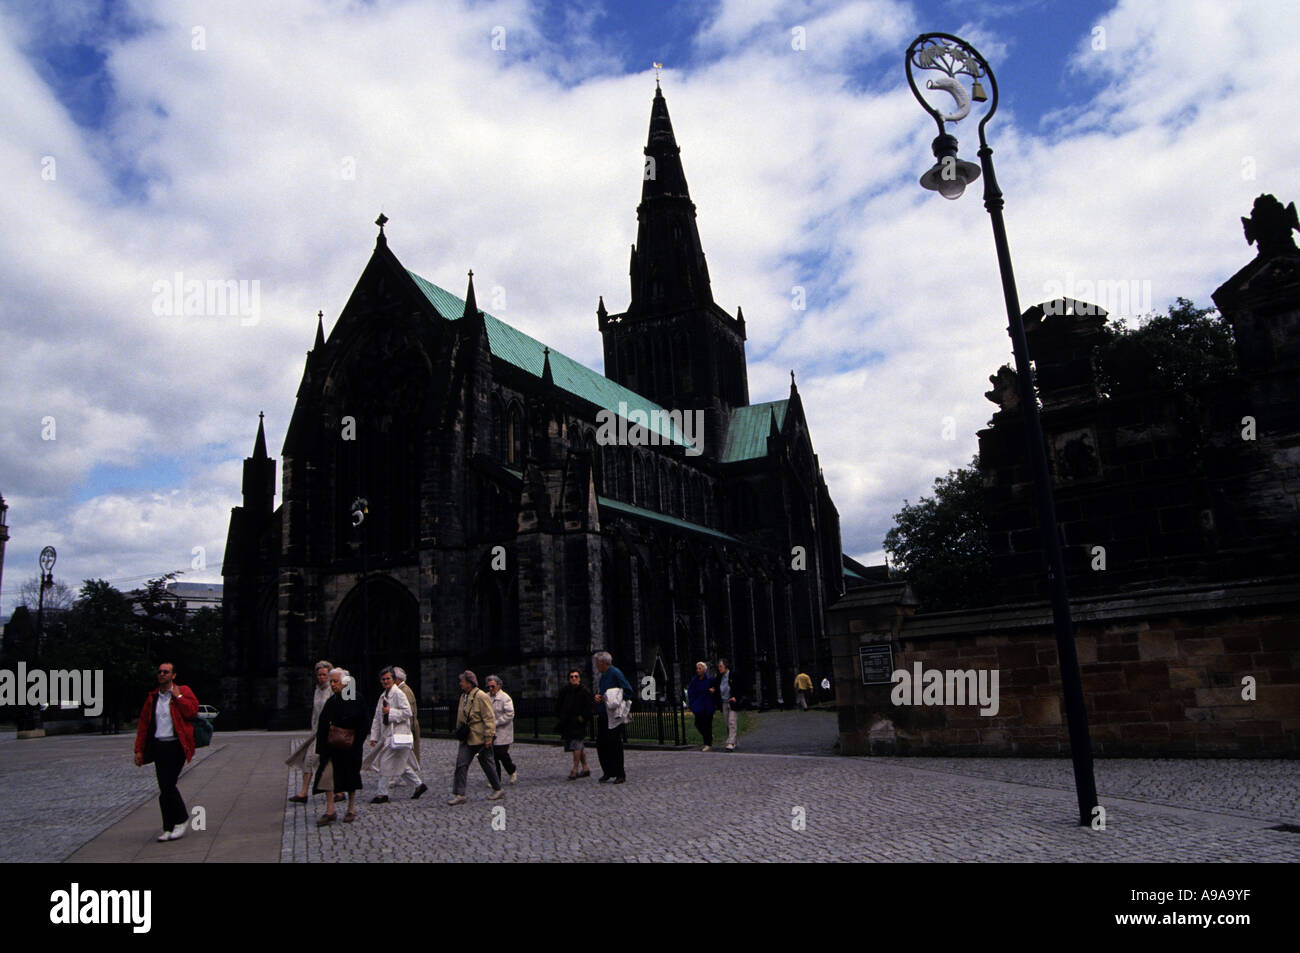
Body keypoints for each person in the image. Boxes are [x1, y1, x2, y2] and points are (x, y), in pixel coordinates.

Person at [133, 661, 200, 842]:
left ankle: (182, 820)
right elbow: (144, 726)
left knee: (168, 786)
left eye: (166, 672)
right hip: (159, 746)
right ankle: (168, 828)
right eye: (160, 671)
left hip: (177, 746)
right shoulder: (152, 698)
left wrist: (178, 698)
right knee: (164, 789)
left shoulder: (183, 691)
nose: (162, 674)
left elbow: (192, 713)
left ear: (173, 675)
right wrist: (139, 750)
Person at [313, 668, 368, 825]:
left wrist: (356, 742)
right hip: (332, 747)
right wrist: (321, 748)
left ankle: (351, 809)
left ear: (345, 683)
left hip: (350, 747)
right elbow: (323, 724)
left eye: (335, 681)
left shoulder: (356, 699)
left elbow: (364, 723)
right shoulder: (332, 701)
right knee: (327, 776)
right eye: (331, 681)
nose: (332, 684)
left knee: (350, 776)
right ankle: (330, 810)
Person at [364, 667, 426, 803]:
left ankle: (382, 794)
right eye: (383, 679)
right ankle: (419, 785)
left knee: (385, 762)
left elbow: (407, 712)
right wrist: (374, 736)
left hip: (398, 735)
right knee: (400, 764)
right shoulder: (383, 696)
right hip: (388, 736)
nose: (386, 681)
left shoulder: (398, 694)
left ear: (393, 680)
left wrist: (390, 712)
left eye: (388, 679)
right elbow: (377, 717)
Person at [448, 671, 504, 804]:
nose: (460, 684)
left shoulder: (481, 696)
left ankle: (498, 788)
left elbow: (489, 717)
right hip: (467, 737)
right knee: (461, 764)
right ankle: (460, 794)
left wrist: (489, 736)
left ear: (469, 683)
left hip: (480, 737)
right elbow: (460, 716)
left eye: (462, 681)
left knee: (488, 765)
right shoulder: (463, 696)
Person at [286, 660, 336, 803]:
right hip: (316, 733)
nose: (321, 677)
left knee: (330, 763)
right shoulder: (317, 690)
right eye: (319, 675)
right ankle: (303, 793)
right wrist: (313, 728)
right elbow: (315, 713)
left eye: (324, 675)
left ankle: (338, 792)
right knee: (309, 760)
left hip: (329, 733)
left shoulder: (332, 690)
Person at [592, 650, 632, 783]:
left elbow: (628, 691)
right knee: (602, 744)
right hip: (603, 713)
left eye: (597, 663)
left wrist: (612, 697)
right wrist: (599, 697)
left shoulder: (615, 673)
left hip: (614, 716)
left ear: (603, 663)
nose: (596, 665)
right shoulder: (603, 675)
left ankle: (620, 773)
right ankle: (608, 771)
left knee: (615, 744)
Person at [556, 669, 590, 779]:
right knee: (578, 746)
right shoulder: (565, 690)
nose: (574, 678)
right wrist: (560, 717)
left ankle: (574, 769)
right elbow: (559, 704)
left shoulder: (584, 691)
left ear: (579, 678)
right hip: (568, 723)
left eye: (576, 676)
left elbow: (588, 707)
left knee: (576, 745)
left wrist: (582, 719)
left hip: (579, 723)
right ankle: (585, 768)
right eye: (571, 677)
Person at [485, 675, 518, 784]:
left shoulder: (505, 698)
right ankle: (496, 778)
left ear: (498, 686)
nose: (490, 689)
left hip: (503, 732)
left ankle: (512, 770)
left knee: (502, 754)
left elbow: (509, 714)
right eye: (488, 687)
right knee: (493, 756)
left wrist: (496, 722)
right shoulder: (486, 697)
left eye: (492, 687)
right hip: (491, 732)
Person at [392, 666, 421, 766]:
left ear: (397, 679)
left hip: (408, 727)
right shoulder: (401, 690)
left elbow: (409, 712)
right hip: (407, 727)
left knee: (408, 755)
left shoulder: (404, 691)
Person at [687, 661, 714, 751]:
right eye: (697, 668)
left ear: (704, 670)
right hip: (698, 706)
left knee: (707, 724)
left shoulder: (709, 680)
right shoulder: (694, 680)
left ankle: (707, 743)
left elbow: (715, 689)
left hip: (708, 706)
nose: (698, 670)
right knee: (698, 724)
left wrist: (712, 691)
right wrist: (692, 703)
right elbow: (690, 692)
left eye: (700, 668)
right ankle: (708, 737)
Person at [715, 658, 740, 750]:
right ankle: (734, 740)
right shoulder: (719, 677)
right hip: (724, 702)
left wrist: (735, 697)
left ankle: (731, 743)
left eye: (721, 666)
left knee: (732, 721)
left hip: (732, 702)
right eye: (718, 667)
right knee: (727, 723)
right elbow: (717, 687)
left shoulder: (733, 675)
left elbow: (739, 687)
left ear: (726, 666)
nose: (719, 668)